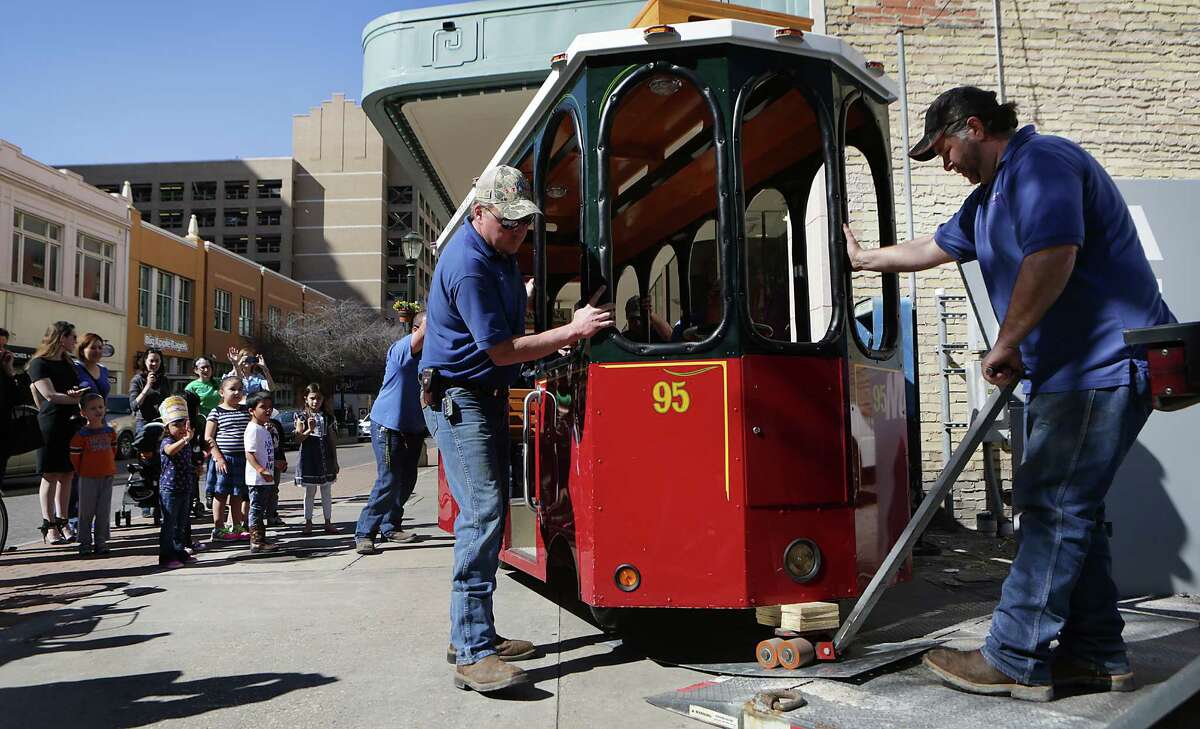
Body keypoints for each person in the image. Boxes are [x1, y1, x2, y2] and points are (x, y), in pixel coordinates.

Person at [844, 86, 1176, 702]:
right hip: (1069, 374)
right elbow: (933, 248)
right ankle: (1096, 654)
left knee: (1050, 508)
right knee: (1072, 511)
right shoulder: (987, 199)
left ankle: (1015, 655)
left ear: (973, 127)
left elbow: (1054, 255)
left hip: (1100, 364)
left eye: (945, 149)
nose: (945, 164)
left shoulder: (1042, 162)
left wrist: (1007, 341)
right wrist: (865, 260)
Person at [421, 165, 614, 693]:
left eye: (524, 223)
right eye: (508, 223)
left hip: (478, 395)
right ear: (478, 212)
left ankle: (472, 634)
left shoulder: (498, 255)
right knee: (483, 513)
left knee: (486, 512)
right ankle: (472, 652)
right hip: (460, 399)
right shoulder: (469, 265)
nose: (519, 232)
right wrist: (572, 330)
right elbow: (502, 350)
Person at [354, 313, 426, 555]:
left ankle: (390, 525)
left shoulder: (432, 354)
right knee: (389, 479)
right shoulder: (401, 349)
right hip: (388, 425)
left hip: (413, 427)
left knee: (407, 480)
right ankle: (365, 532)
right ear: (415, 329)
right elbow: (425, 330)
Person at [29, 321, 87, 545]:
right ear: (61, 338)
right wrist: (77, 398)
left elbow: (70, 391)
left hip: (71, 423)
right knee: (50, 475)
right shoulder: (39, 364)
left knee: (67, 474)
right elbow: (49, 395)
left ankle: (64, 522)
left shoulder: (68, 362)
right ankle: (50, 526)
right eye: (73, 337)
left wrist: (76, 393)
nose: (75, 341)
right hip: (51, 424)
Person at [68, 393, 117, 557]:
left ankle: (101, 541)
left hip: (107, 476)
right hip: (88, 477)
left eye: (101, 407)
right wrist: (82, 470)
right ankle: (85, 542)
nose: (98, 411)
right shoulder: (81, 435)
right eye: (93, 408)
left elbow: (113, 450)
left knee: (103, 511)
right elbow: (75, 456)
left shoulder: (110, 432)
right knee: (86, 512)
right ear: (83, 413)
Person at [205, 375, 251, 542]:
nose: (237, 392)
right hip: (223, 460)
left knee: (238, 494)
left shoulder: (246, 411)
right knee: (221, 494)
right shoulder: (216, 412)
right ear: (222, 392)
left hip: (241, 460)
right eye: (232, 389)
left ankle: (237, 526)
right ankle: (218, 528)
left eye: (240, 389)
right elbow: (208, 437)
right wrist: (218, 458)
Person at [294, 383, 340, 536]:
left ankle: (328, 522)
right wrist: (309, 429)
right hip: (309, 458)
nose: (315, 401)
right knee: (310, 491)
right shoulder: (301, 416)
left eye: (319, 398)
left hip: (325, 457)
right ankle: (308, 522)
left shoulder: (328, 417)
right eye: (312, 398)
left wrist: (335, 460)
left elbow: (332, 439)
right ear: (306, 398)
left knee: (326, 491)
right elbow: (298, 438)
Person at [158, 403, 195, 568]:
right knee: (169, 524)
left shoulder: (186, 443)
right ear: (167, 427)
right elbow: (170, 451)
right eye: (176, 425)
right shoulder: (167, 441)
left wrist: (195, 468)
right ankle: (166, 556)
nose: (181, 428)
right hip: (170, 489)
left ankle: (179, 551)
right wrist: (185, 439)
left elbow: (186, 461)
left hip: (184, 487)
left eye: (183, 423)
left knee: (181, 524)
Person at [243, 390, 281, 554]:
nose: (268, 410)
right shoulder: (253, 429)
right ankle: (256, 541)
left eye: (270, 407)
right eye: (263, 407)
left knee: (261, 508)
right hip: (257, 478)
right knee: (257, 509)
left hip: (266, 477)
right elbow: (249, 453)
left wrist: (275, 463)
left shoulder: (263, 429)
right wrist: (261, 469)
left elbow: (264, 452)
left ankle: (261, 538)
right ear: (252, 410)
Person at [185, 357, 221, 515]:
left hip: (218, 426)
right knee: (196, 462)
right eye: (202, 367)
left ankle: (210, 493)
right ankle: (194, 499)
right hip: (199, 428)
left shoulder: (218, 384)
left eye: (208, 367)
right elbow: (189, 409)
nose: (206, 370)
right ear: (196, 370)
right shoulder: (192, 387)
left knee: (215, 461)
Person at [0, 328, 19, 492]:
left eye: (3, 346)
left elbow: (18, 397)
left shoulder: (5, 371)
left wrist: (10, 370)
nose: (1, 351)